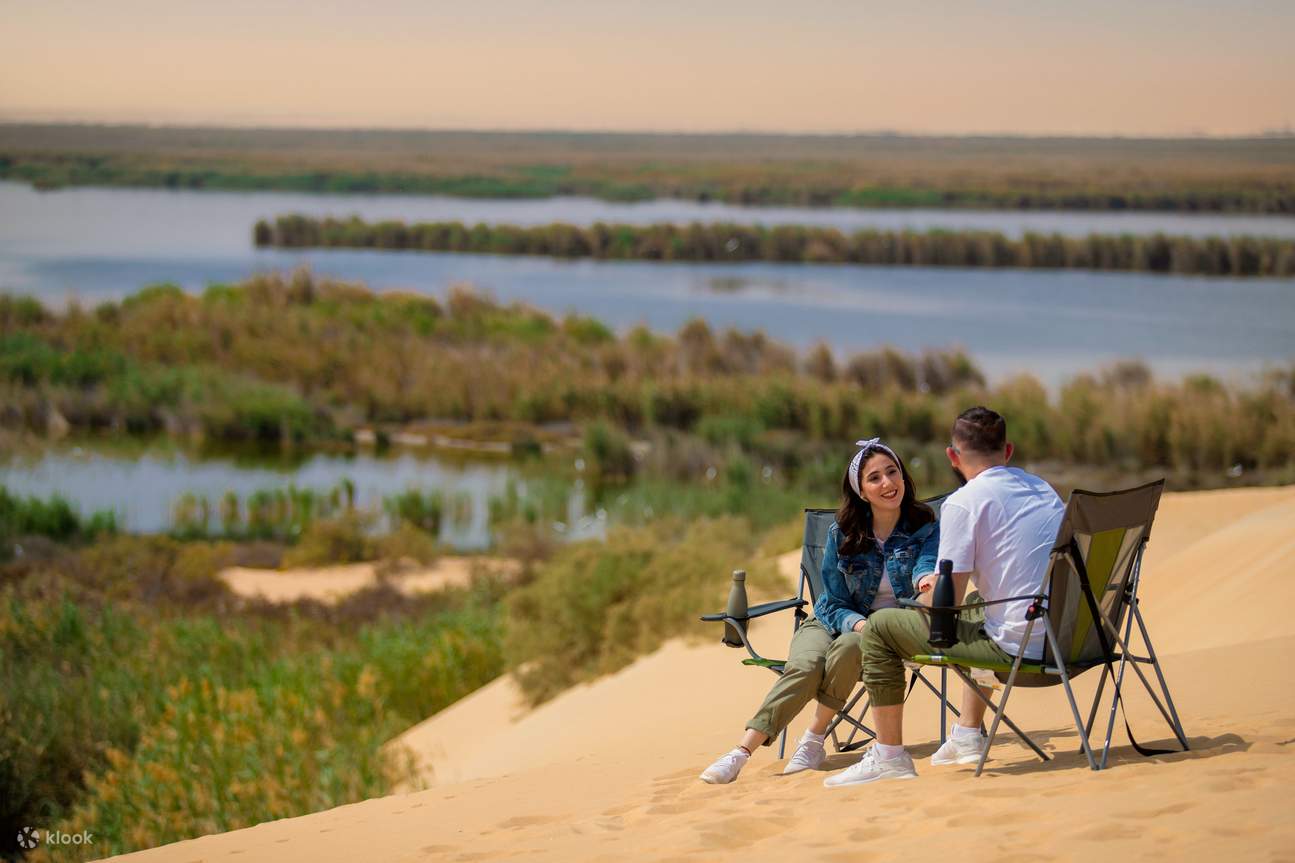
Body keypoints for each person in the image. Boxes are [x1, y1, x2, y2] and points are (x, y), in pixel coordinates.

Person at [819, 406, 1065, 788]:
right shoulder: (1044, 490)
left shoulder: (964, 503)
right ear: (1009, 450)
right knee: (982, 613)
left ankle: (889, 757)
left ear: (953, 456)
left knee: (882, 626)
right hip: (1072, 639)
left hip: (1021, 648)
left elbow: (944, 606)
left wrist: (928, 583)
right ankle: (967, 732)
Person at [699, 438, 939, 784]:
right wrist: (856, 624)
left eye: (892, 472)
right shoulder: (842, 532)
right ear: (861, 490)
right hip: (831, 619)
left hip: (885, 632)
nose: (888, 483)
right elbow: (833, 601)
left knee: (851, 647)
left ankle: (813, 738)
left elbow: (926, 566)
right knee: (807, 664)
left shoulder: (925, 525)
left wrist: (926, 581)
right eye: (875, 478)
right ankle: (740, 752)